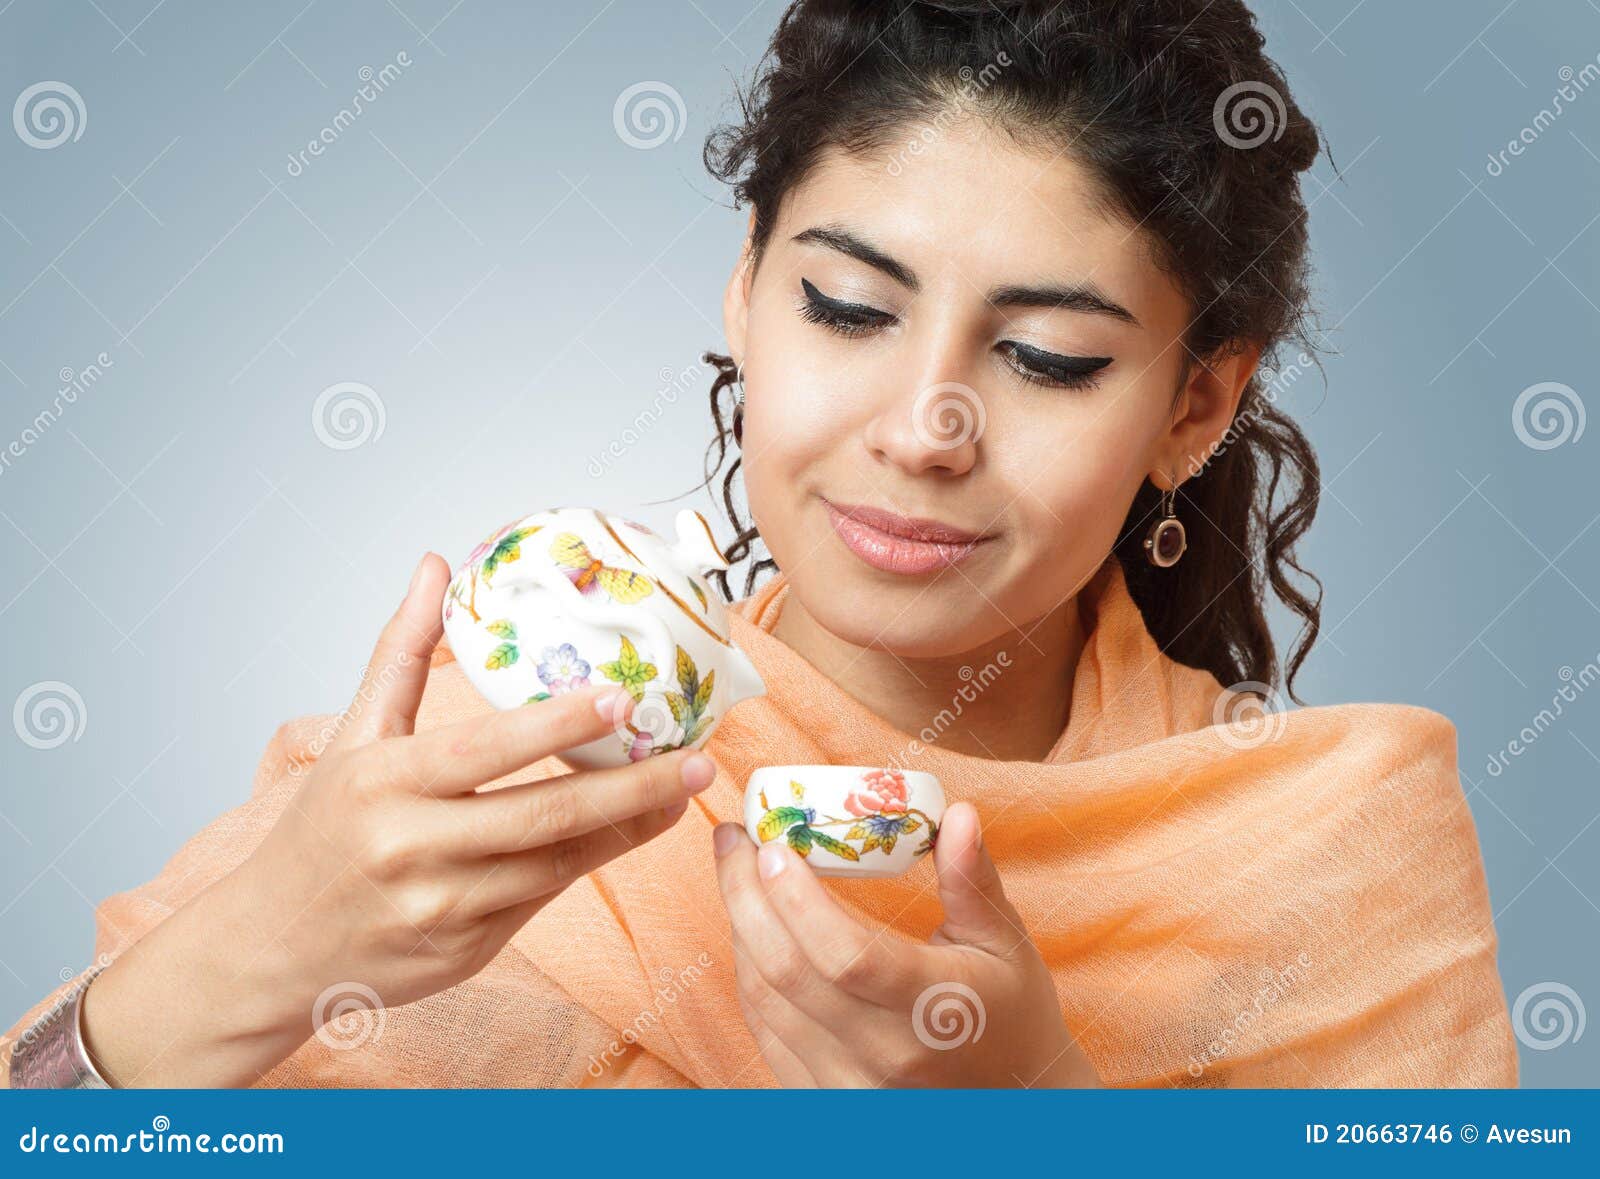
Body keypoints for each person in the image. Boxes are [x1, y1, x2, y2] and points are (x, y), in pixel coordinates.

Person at [4, 0, 1517, 1088]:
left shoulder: (1332, 870)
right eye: (849, 310)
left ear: (1196, 407)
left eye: (1049, 357)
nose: (925, 426)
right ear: (744, 292)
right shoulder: (487, 763)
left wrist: (1033, 1115)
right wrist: (255, 956)